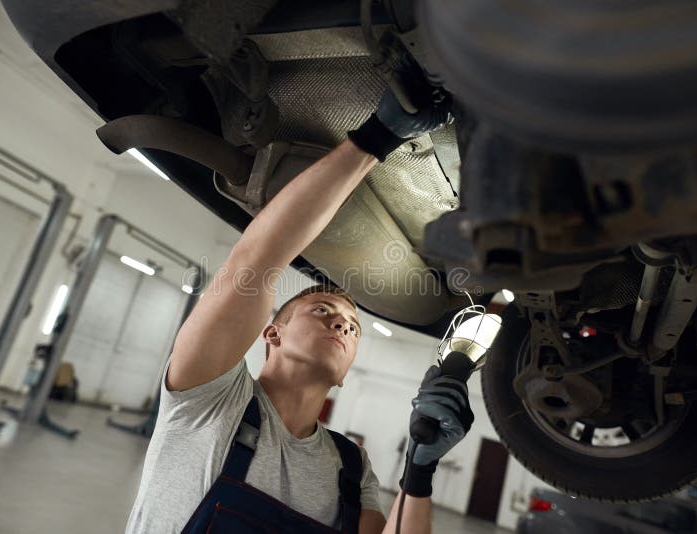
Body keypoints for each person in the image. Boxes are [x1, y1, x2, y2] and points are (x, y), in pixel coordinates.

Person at [125, 79, 473, 533]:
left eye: (353, 327)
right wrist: (376, 138)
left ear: (346, 375)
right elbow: (257, 259)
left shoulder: (351, 468)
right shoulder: (207, 398)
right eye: (324, 311)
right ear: (272, 333)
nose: (345, 326)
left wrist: (420, 471)